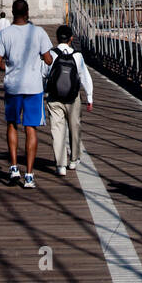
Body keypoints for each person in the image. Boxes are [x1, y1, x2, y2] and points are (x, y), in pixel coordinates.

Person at [0, 0, 53, 189]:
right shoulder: (39, 32)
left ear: (12, 13)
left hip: (13, 86)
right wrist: (40, 57)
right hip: (34, 87)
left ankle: (14, 167)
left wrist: (7, 66)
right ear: (28, 13)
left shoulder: (4, 34)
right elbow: (49, 60)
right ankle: (30, 175)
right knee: (30, 128)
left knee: (12, 125)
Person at [42, 25, 93, 176]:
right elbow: (84, 76)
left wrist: (43, 91)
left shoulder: (51, 53)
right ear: (71, 38)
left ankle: (60, 165)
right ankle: (73, 160)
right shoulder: (77, 56)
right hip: (73, 97)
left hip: (54, 97)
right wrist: (89, 97)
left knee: (57, 131)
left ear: (57, 38)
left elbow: (43, 74)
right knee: (75, 127)